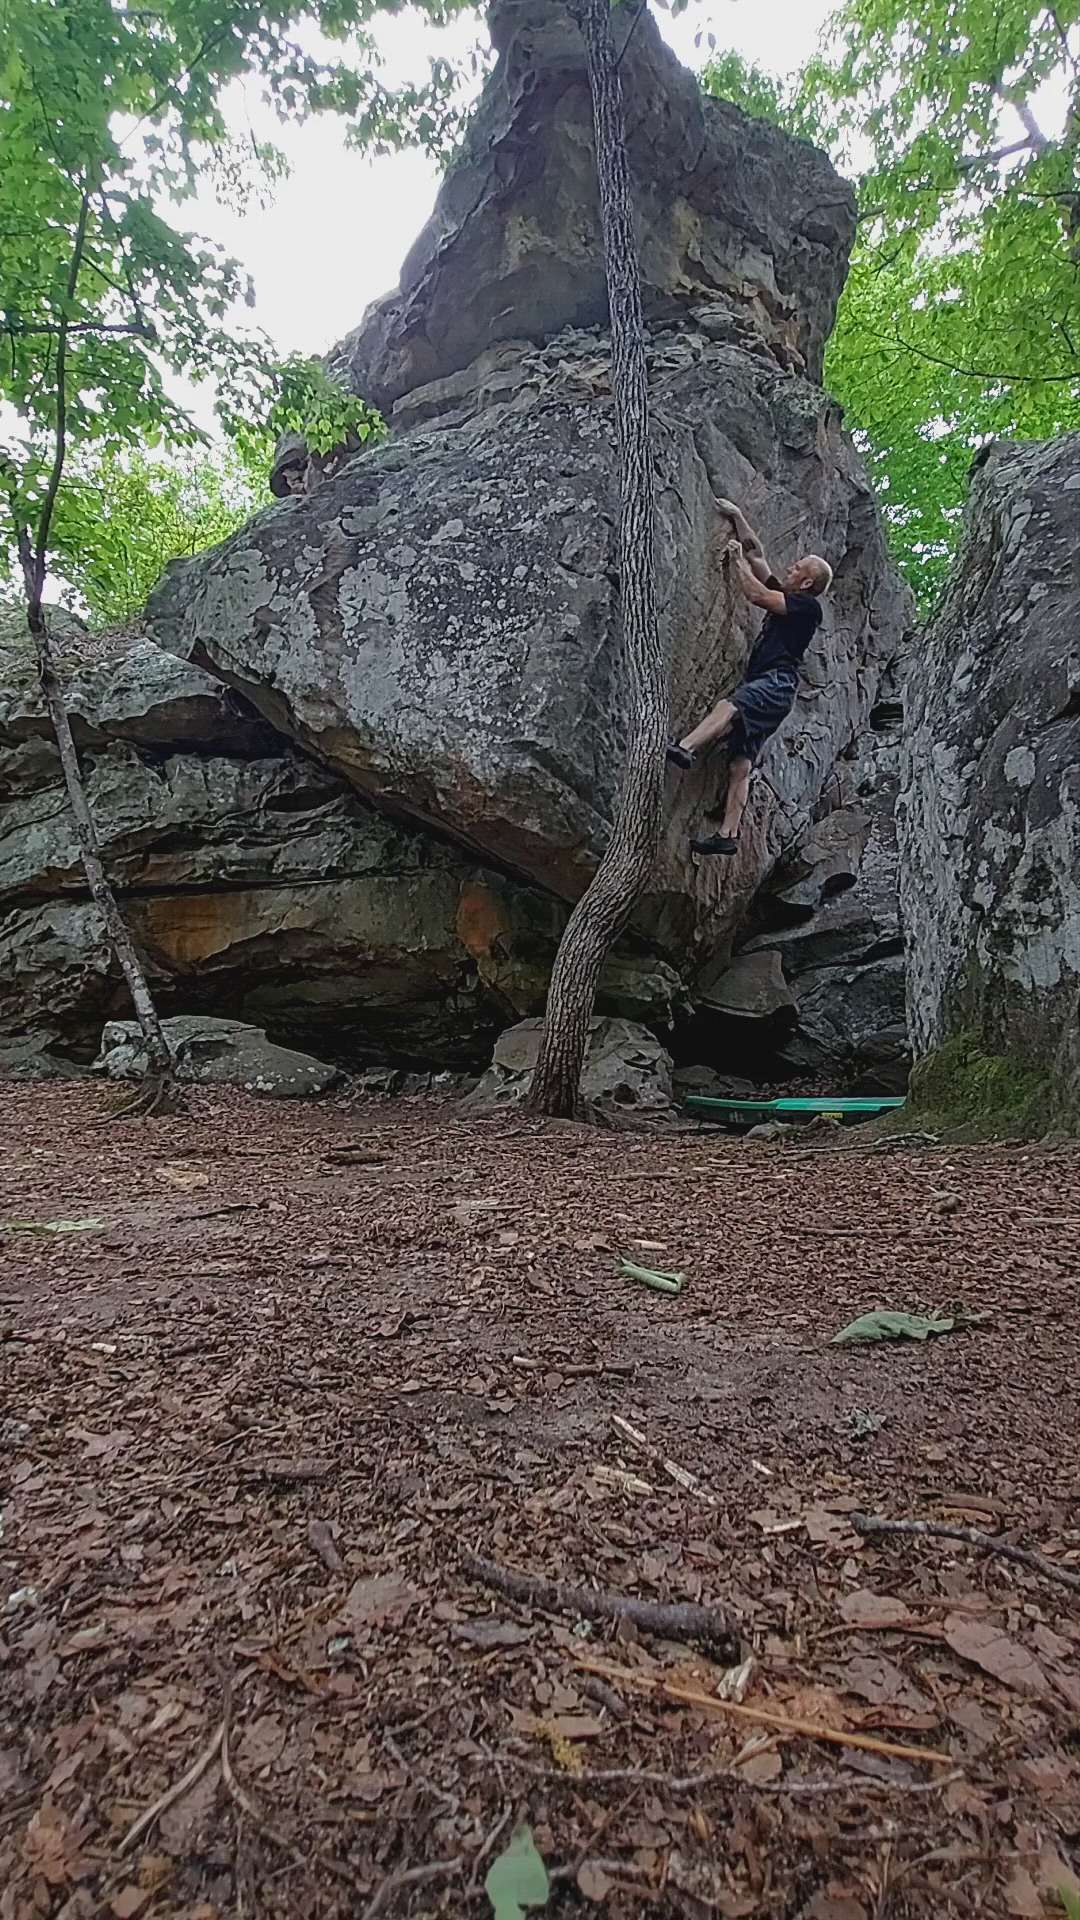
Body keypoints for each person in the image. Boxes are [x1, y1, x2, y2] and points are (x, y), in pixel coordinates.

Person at [667, 499, 832, 856]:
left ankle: (685, 748)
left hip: (776, 683)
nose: (790, 567)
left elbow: (756, 593)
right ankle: (728, 834)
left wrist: (735, 561)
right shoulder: (790, 596)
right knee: (740, 764)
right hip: (776, 691)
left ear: (806, 582)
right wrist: (738, 517)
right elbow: (758, 557)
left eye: (797, 567)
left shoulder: (806, 607)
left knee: (730, 705)